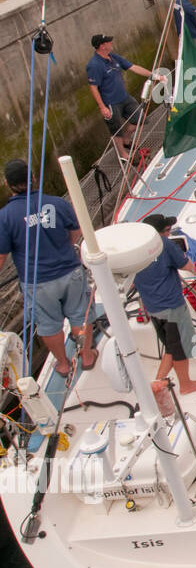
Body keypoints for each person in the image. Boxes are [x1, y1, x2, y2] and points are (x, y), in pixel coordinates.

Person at [0, 159, 96, 376]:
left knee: (49, 325)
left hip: (38, 282)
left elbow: (1, 257)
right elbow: (75, 232)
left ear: (7, 183)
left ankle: (63, 364)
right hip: (70, 272)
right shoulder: (57, 203)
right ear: (33, 178)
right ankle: (87, 356)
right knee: (80, 315)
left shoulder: (4, 217)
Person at [133, 214, 196, 394]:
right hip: (172, 307)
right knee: (180, 347)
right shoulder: (164, 245)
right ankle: (186, 385)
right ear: (160, 233)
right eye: (167, 230)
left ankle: (157, 382)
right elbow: (187, 265)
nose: (169, 234)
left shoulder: (134, 248)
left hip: (152, 308)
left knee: (170, 346)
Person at [86, 34, 164, 165]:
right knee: (116, 130)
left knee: (140, 118)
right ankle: (123, 154)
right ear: (102, 46)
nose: (111, 43)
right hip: (110, 102)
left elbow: (133, 67)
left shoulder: (113, 57)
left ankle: (127, 139)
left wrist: (154, 76)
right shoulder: (94, 65)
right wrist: (102, 107)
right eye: (108, 42)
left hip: (124, 97)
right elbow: (93, 88)